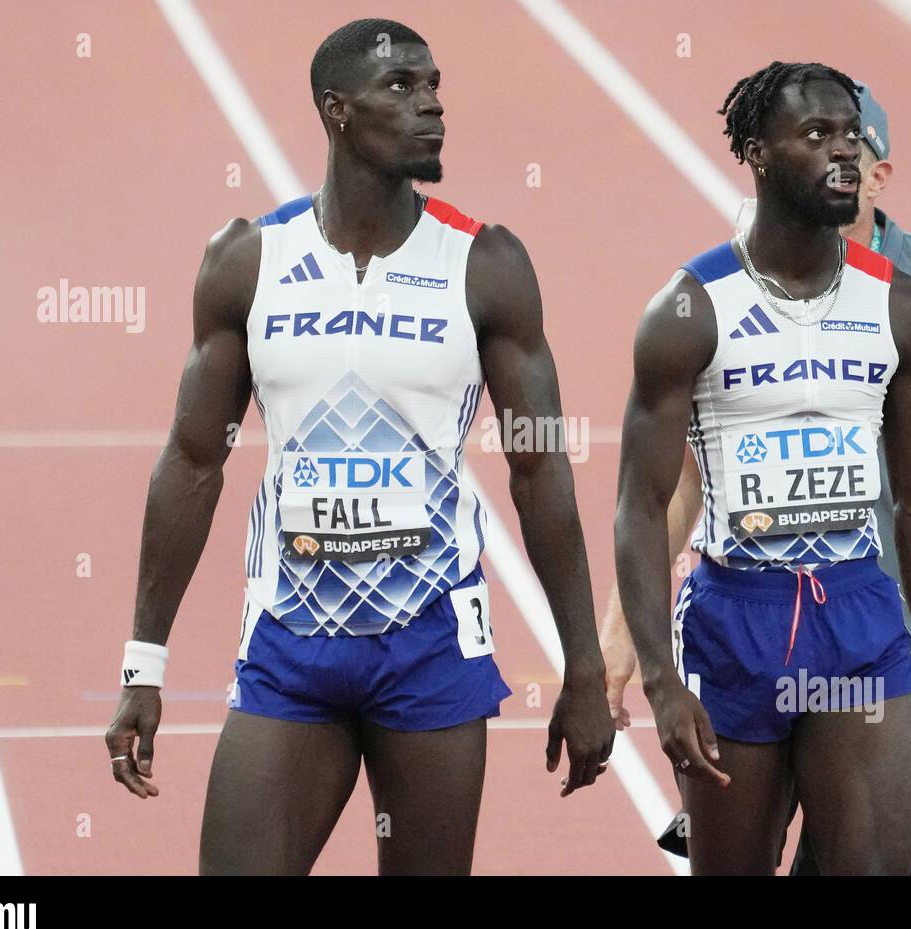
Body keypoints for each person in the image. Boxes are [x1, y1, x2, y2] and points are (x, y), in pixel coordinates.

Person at [104, 18, 613, 875]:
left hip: (430, 644)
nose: (433, 106)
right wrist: (142, 662)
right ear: (336, 111)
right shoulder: (249, 261)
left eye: (435, 85)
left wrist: (585, 668)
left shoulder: (484, 264)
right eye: (404, 87)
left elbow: (539, 469)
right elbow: (194, 463)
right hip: (291, 643)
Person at [603, 82, 911, 874]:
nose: (837, 154)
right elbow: (664, 491)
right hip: (741, 625)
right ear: (760, 157)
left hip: (873, 628)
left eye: (850, 141)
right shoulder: (704, 302)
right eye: (816, 134)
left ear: (878, 170)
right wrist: (635, 657)